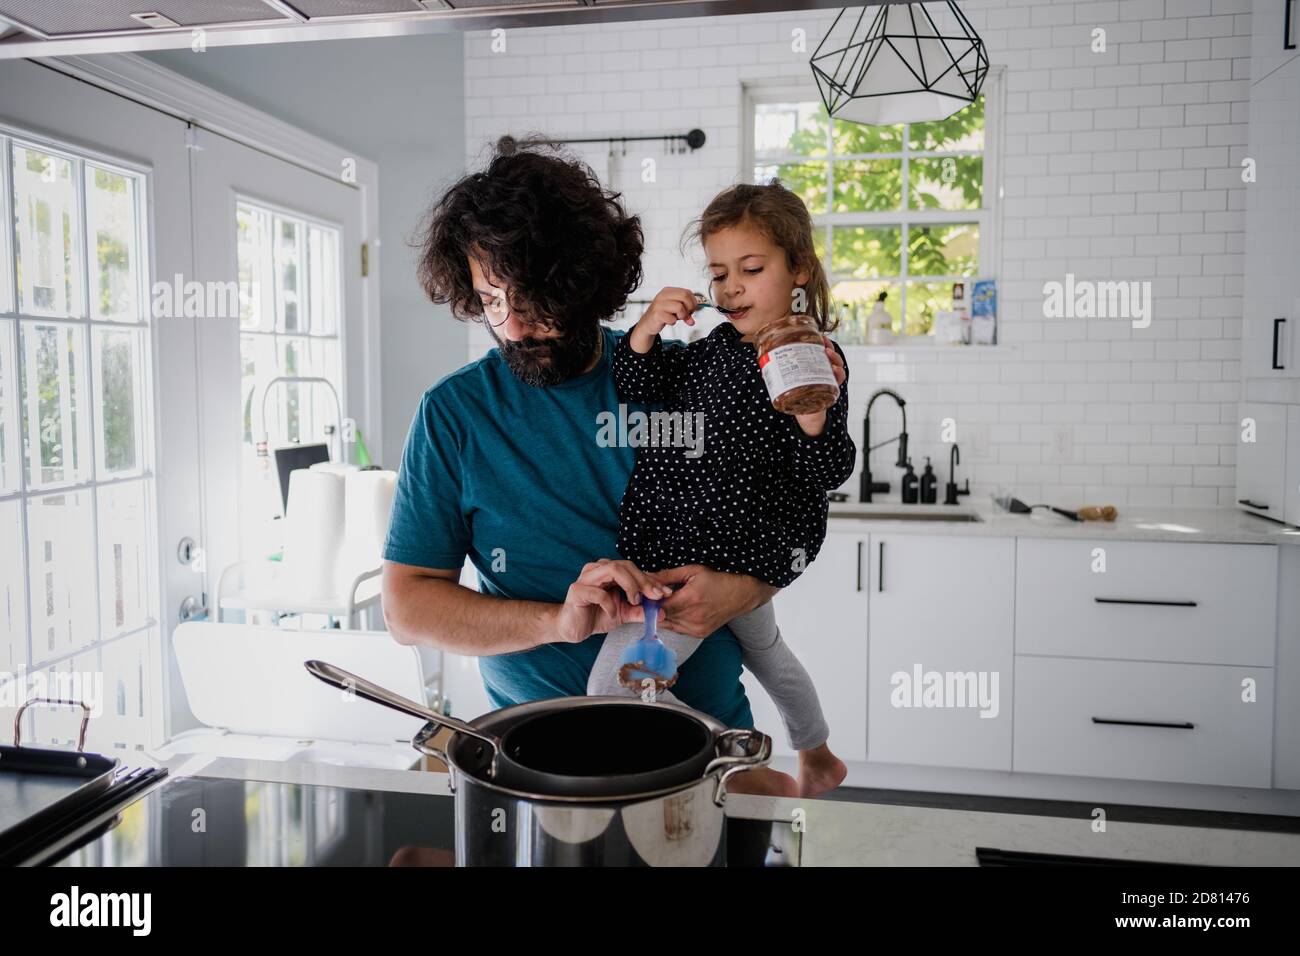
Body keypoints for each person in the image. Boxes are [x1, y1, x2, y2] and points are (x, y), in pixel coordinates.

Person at [381, 139, 798, 796]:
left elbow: (784, 510)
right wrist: (556, 621)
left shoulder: (678, 381)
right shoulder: (453, 416)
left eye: (533, 300)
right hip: (529, 757)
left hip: (706, 749)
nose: (512, 327)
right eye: (492, 301)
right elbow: (407, 609)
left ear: (581, 283)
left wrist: (745, 589)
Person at [587, 181, 854, 797]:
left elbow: (827, 471)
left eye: (751, 269)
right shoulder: (711, 349)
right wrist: (648, 328)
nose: (730, 286)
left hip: (716, 559)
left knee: (612, 691)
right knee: (771, 656)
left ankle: (742, 765)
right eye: (718, 272)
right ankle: (817, 753)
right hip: (704, 549)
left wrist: (813, 419)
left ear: (799, 272)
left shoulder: (809, 355)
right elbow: (640, 386)